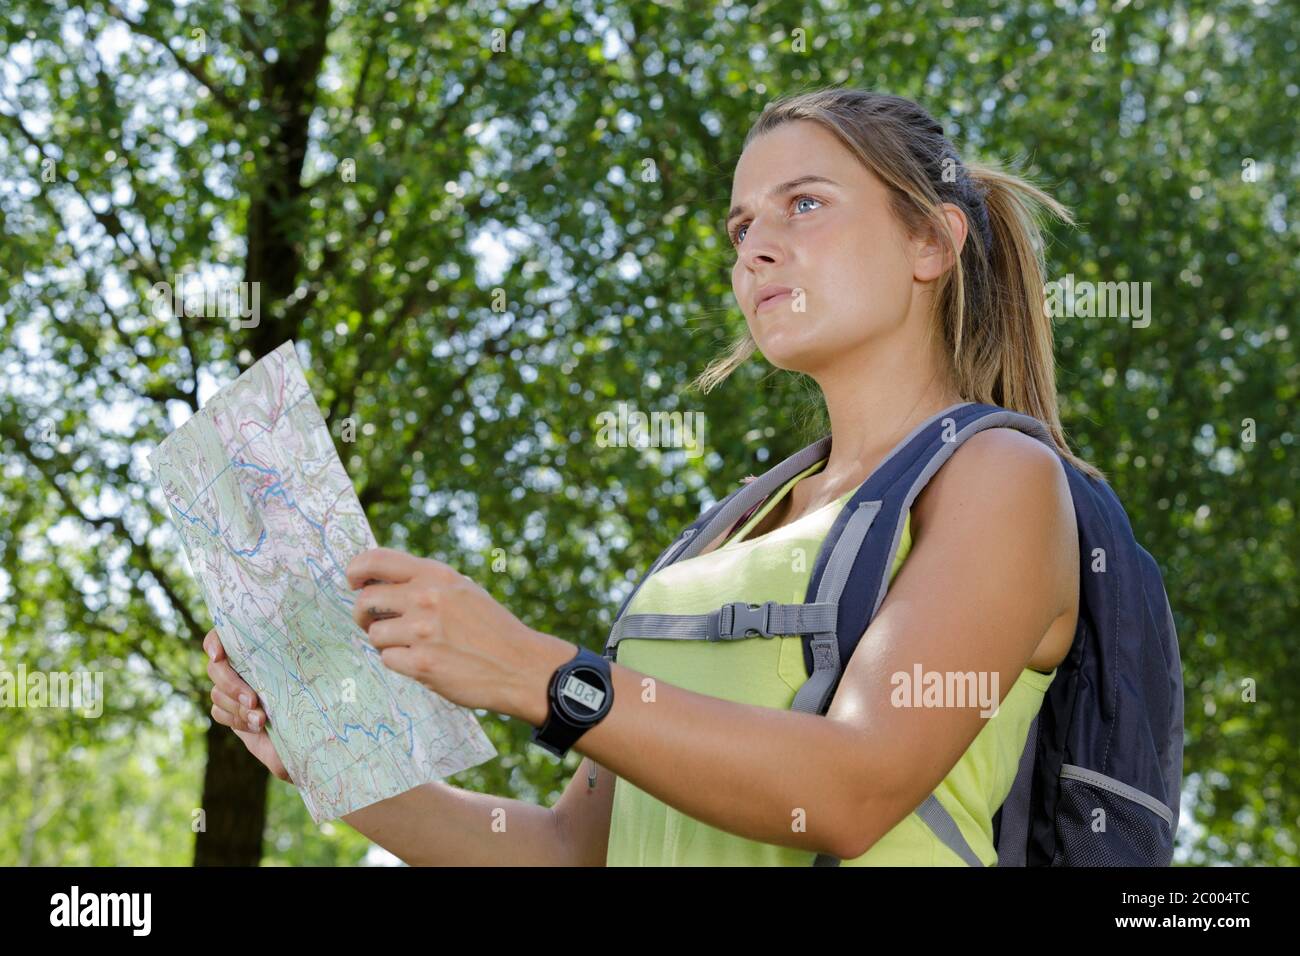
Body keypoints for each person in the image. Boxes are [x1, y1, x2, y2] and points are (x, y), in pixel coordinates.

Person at [205, 87, 1093, 866]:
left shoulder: (999, 478)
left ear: (931, 244)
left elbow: (852, 790)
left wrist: (533, 672)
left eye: (805, 205)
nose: (756, 249)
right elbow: (562, 854)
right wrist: (331, 755)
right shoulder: (724, 537)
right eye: (742, 227)